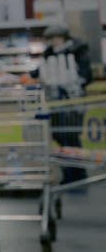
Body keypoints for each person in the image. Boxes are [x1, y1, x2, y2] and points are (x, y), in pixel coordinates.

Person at [41, 24, 91, 186]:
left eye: (55, 38)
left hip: (73, 102)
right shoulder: (49, 53)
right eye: (50, 39)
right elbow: (42, 71)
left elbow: (86, 75)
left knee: (70, 136)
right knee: (60, 135)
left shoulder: (78, 50)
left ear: (64, 38)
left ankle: (78, 174)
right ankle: (70, 173)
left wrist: (72, 83)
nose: (53, 42)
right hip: (56, 101)